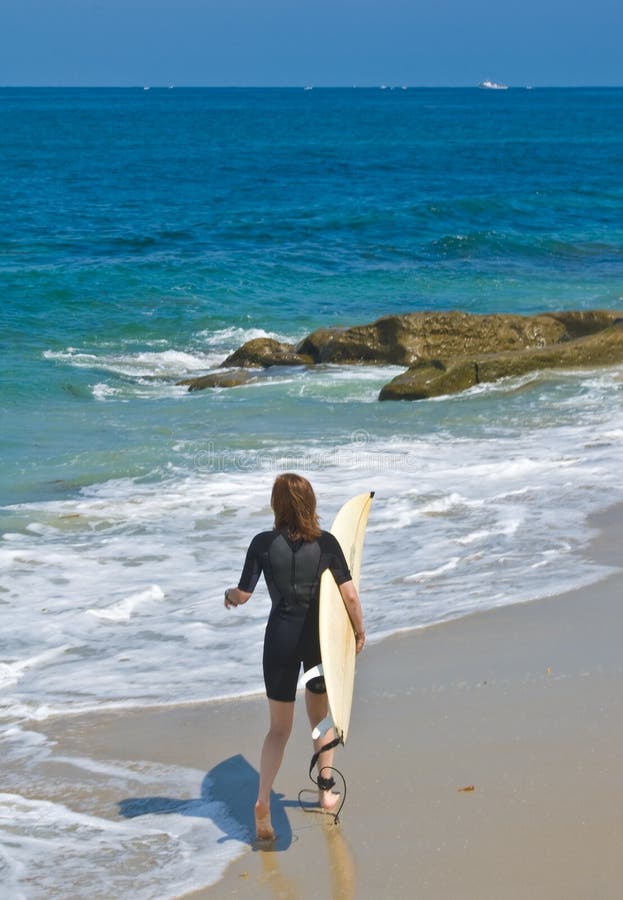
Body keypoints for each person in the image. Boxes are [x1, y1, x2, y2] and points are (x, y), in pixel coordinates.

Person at [224, 472, 366, 842]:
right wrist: (359, 631)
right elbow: (350, 597)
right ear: (310, 503)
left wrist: (230, 595)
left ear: (277, 505)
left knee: (278, 729)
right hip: (317, 643)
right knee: (319, 717)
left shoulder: (262, 543)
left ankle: (261, 800)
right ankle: (325, 792)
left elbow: (244, 593)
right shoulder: (328, 544)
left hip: (279, 641)